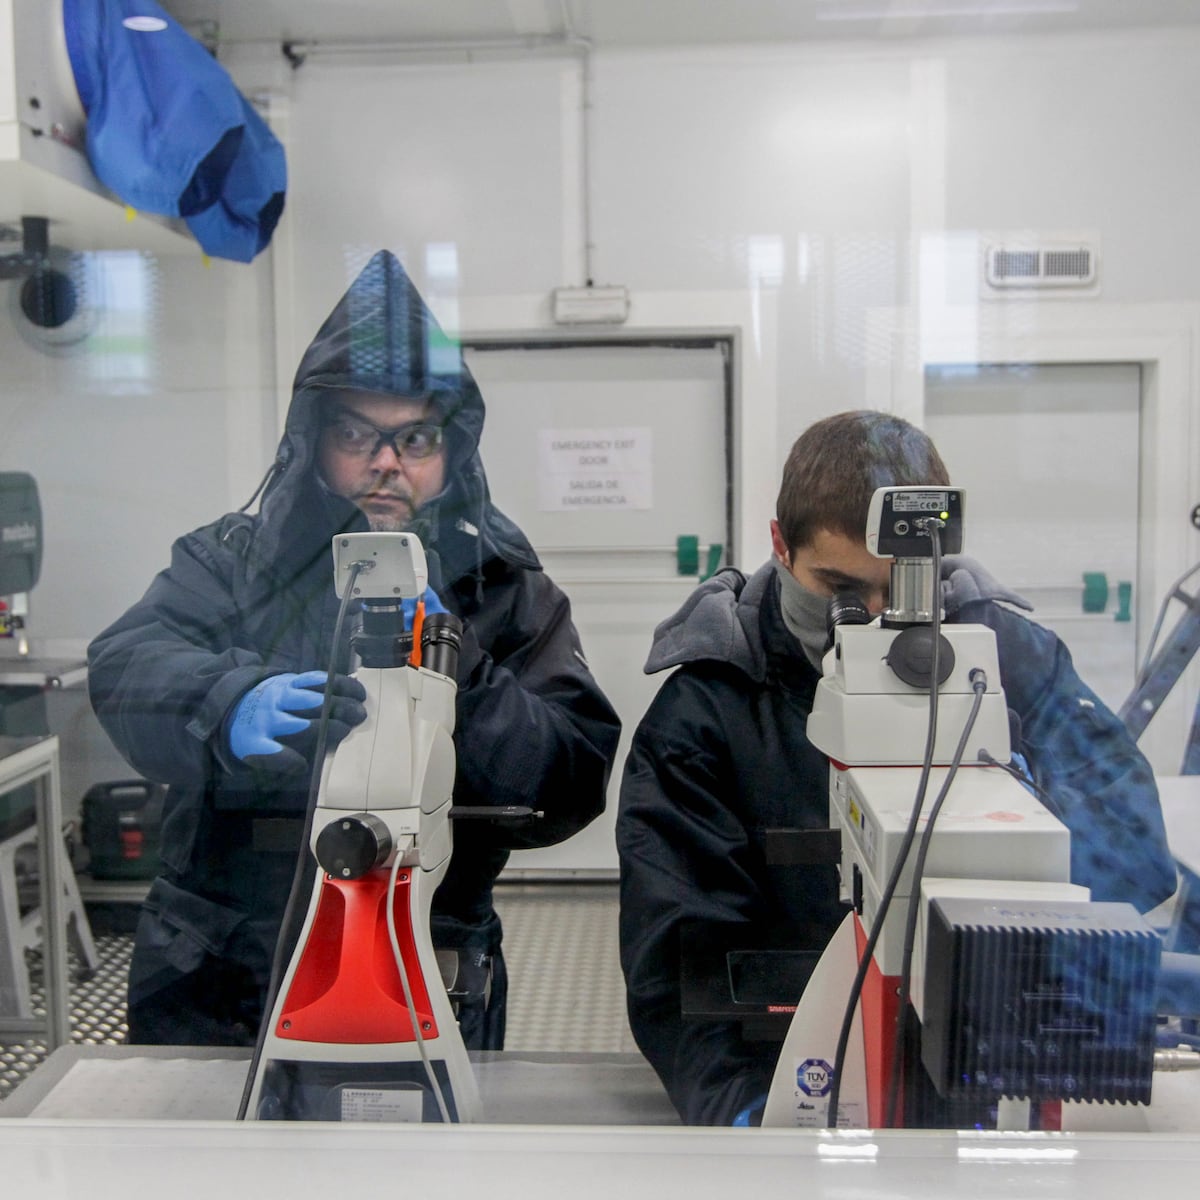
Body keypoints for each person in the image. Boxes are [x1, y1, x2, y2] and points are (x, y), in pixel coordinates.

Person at [88, 251, 620, 1049]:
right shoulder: (230, 561)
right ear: (313, 438)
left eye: (415, 438)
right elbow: (125, 665)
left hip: (427, 958)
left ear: (453, 449)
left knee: (420, 1174)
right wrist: (226, 702)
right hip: (225, 965)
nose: (385, 463)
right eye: (355, 434)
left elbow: (569, 779)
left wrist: (462, 672)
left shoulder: (502, 586)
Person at [616, 409, 1176, 1126]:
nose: (878, 621)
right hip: (790, 1061)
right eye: (841, 591)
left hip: (984, 1059)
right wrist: (749, 1126)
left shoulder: (1010, 661)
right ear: (780, 547)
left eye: (905, 588)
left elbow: (1129, 841)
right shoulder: (707, 711)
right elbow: (676, 964)